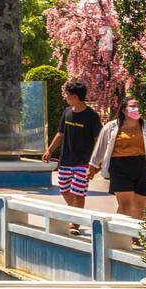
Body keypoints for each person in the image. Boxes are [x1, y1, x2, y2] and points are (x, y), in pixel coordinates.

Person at [88, 93, 146, 241]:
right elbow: (100, 147)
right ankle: (118, 236)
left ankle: (134, 236)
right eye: (133, 106)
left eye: (138, 106)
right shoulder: (112, 126)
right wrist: (92, 165)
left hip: (142, 166)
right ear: (124, 110)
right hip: (119, 167)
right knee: (125, 205)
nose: (136, 109)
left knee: (139, 205)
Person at [42, 81, 102, 234]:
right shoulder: (67, 112)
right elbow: (60, 134)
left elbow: (98, 140)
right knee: (64, 189)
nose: (65, 97)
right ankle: (76, 213)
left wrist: (95, 163)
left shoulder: (92, 116)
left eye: (67, 95)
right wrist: (49, 150)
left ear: (75, 96)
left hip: (84, 161)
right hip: (66, 160)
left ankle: (75, 222)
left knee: (78, 191)